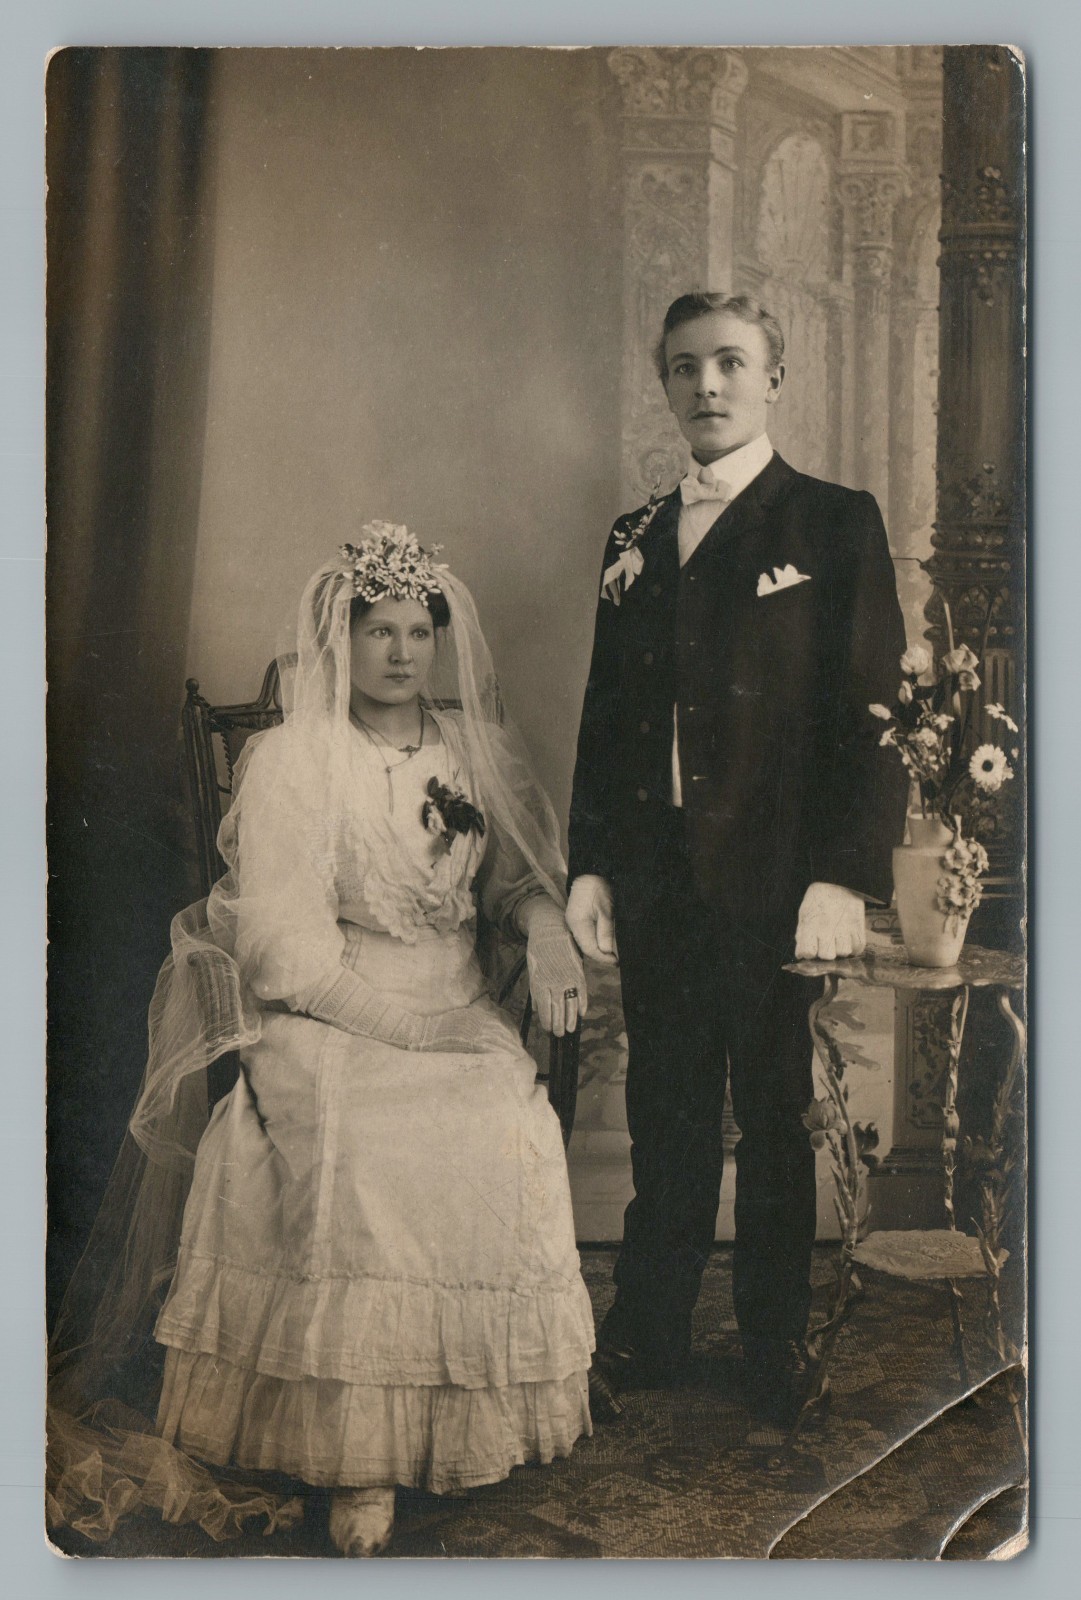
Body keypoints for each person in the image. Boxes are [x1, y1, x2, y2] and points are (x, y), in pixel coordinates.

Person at [48, 524, 595, 1555]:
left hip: (460, 1000)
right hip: (328, 1015)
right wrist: (408, 1028)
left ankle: (462, 1418)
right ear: (339, 640)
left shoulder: (480, 749)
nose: (400, 651)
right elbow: (284, 956)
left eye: (419, 630)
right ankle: (360, 1459)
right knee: (370, 1151)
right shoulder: (295, 758)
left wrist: (543, 929)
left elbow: (518, 876)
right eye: (377, 629)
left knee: (499, 1117)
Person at [566, 293, 909, 1423]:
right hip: (659, 867)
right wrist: (592, 864)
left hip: (775, 876)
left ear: (773, 376)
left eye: (727, 363)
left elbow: (873, 715)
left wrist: (844, 874)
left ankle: (772, 1337)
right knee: (666, 1102)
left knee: (770, 1112)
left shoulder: (831, 522)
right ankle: (648, 1330)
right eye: (682, 368)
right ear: (663, 385)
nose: (704, 386)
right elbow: (608, 719)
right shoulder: (632, 537)